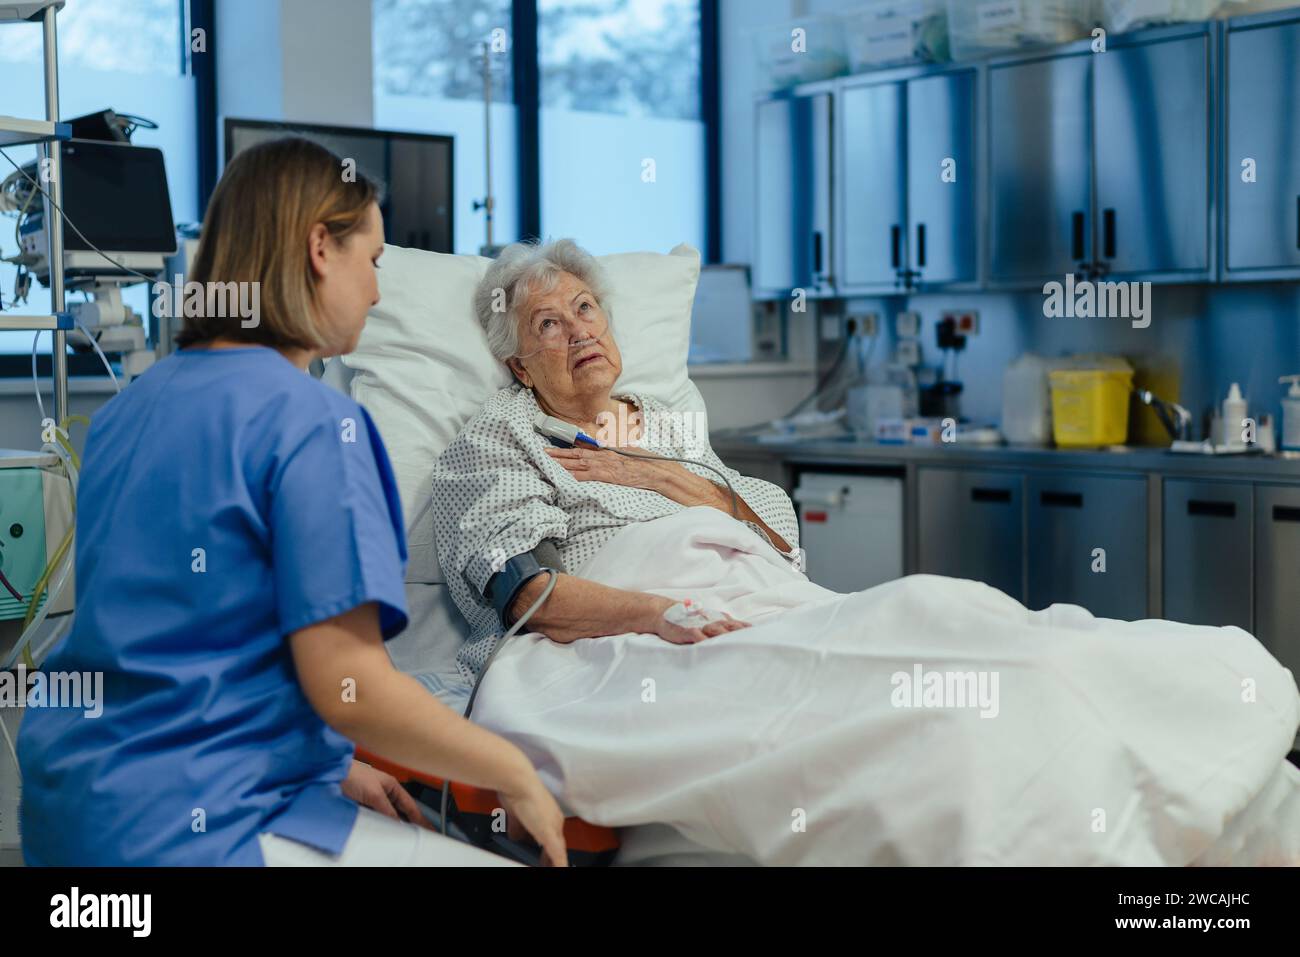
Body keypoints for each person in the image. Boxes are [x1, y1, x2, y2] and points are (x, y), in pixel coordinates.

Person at [17, 137, 566, 867]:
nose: (376, 290)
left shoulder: (127, 412)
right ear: (318, 248)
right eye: (371, 261)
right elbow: (353, 689)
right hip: (198, 834)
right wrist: (513, 771)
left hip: (74, 820)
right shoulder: (314, 425)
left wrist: (330, 765)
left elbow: (179, 646)